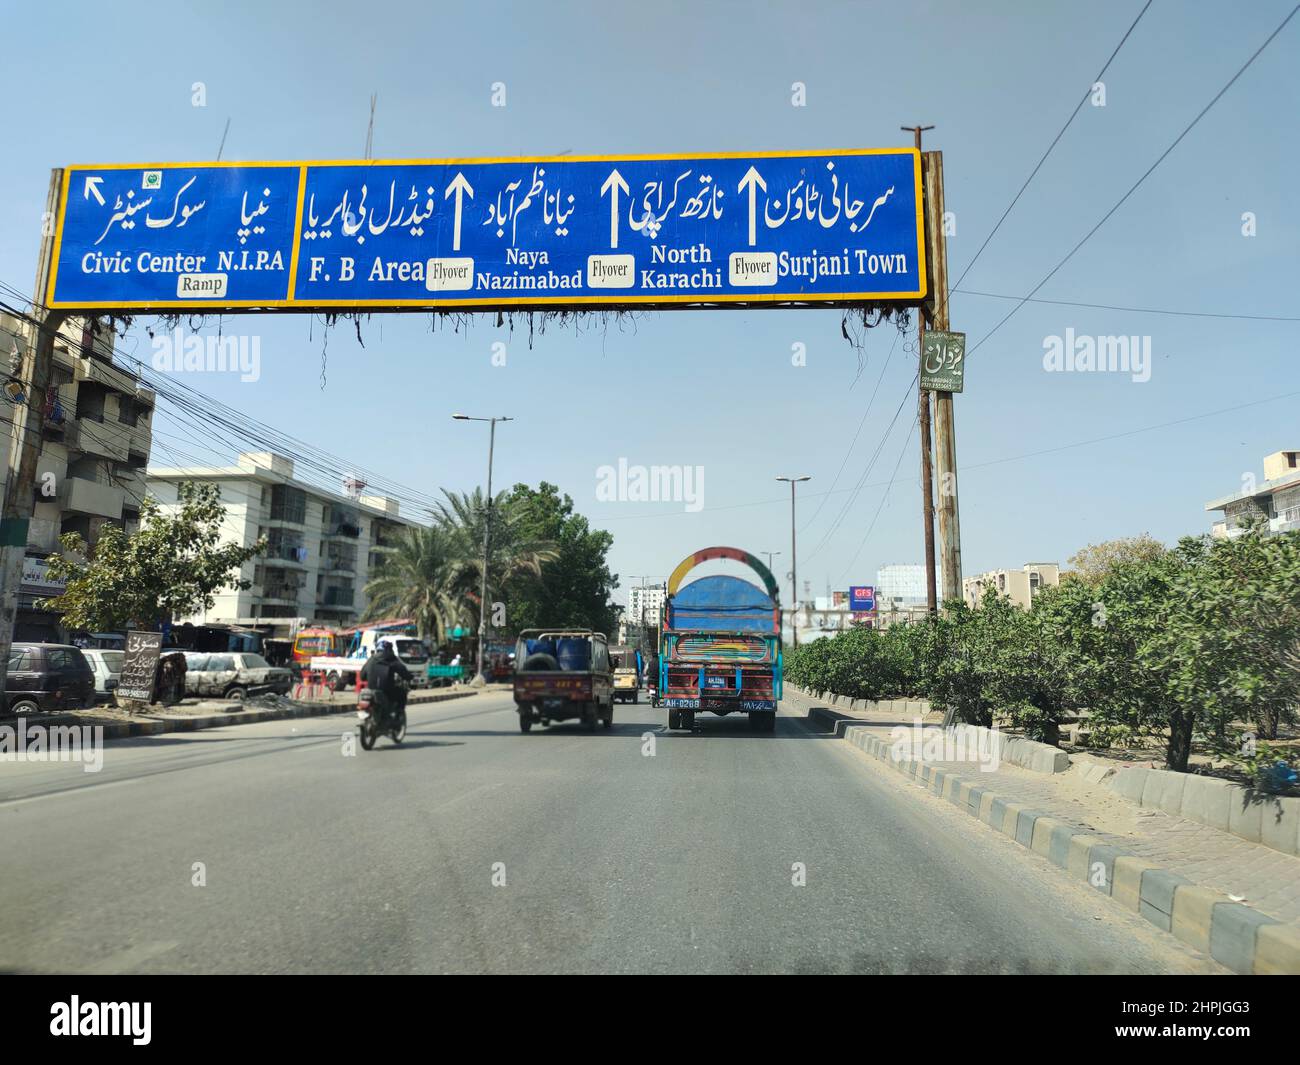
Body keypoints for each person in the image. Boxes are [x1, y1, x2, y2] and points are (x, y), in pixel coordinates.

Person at [359, 643, 412, 726]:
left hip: (370, 689)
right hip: (386, 690)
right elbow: (403, 672)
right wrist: (410, 677)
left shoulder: (371, 659)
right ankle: (397, 717)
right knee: (402, 693)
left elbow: (362, 676)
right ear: (390, 650)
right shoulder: (391, 659)